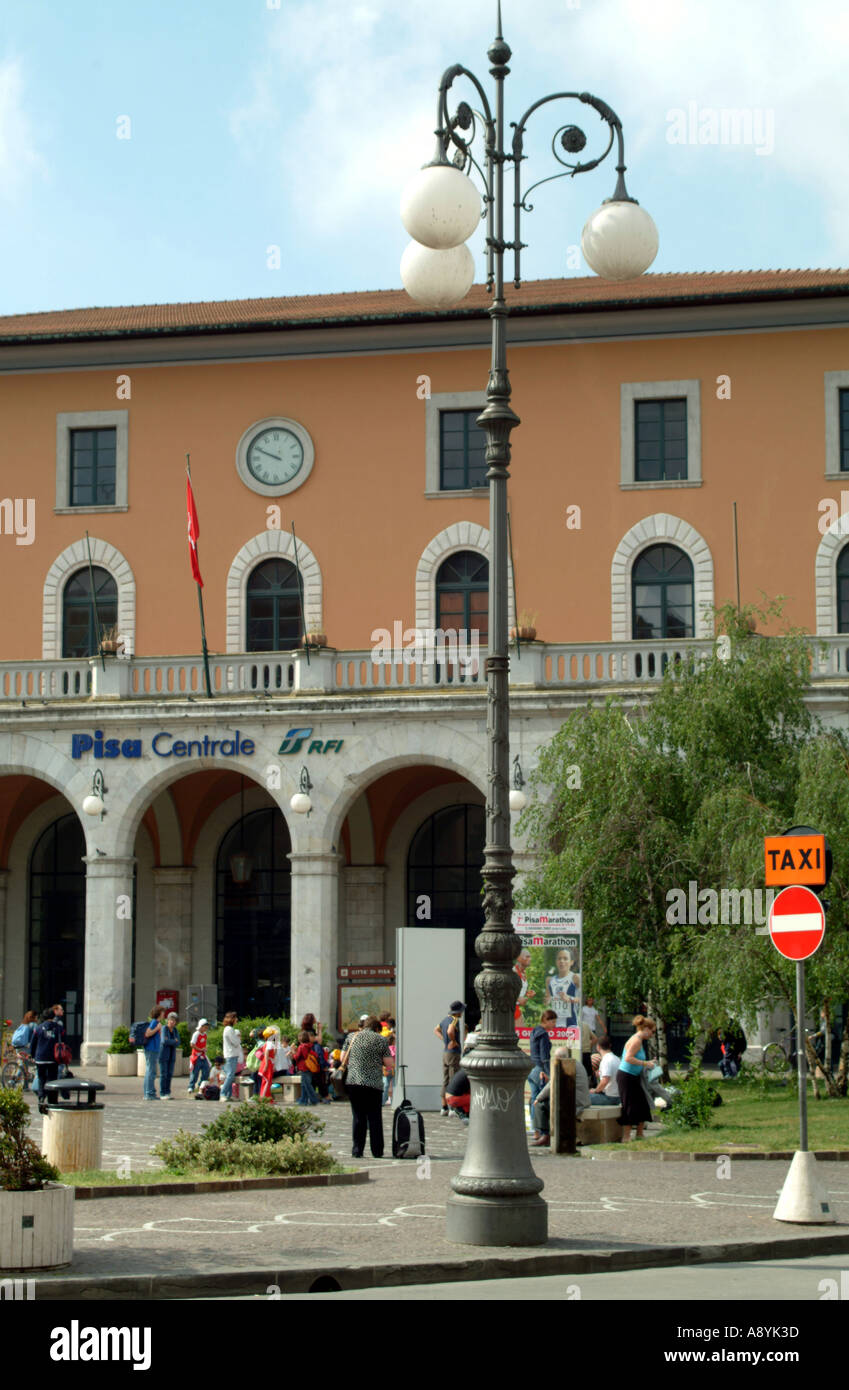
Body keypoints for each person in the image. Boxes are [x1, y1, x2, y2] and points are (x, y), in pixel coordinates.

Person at [341, 1015, 390, 1158]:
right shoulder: (381, 1040)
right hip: (373, 1084)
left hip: (354, 1082)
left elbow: (342, 1058)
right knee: (375, 1117)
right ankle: (377, 1151)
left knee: (358, 1117)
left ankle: (357, 1150)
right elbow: (389, 1063)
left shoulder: (352, 1037)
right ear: (376, 1028)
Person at [530, 1049, 590, 1147]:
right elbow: (557, 1080)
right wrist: (549, 1078)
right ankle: (547, 1134)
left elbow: (552, 1085)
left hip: (575, 1102)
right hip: (579, 1100)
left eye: (555, 1057)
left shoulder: (564, 1064)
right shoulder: (575, 1063)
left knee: (540, 1104)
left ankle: (545, 1135)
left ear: (559, 1057)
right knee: (545, 1102)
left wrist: (538, 1098)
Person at [617, 1015, 657, 1141]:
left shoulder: (639, 1040)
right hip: (626, 1076)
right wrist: (645, 1063)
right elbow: (628, 1058)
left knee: (642, 1104)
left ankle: (640, 1134)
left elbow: (636, 1058)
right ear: (645, 1028)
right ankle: (626, 1136)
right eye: (652, 1031)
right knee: (629, 1105)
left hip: (633, 1076)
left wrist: (649, 1062)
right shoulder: (636, 1040)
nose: (652, 1034)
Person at [528, 1009, 558, 1128]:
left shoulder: (535, 1031)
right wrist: (550, 1074)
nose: (554, 1025)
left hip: (532, 1069)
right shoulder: (543, 1034)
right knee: (541, 1100)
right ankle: (542, 1129)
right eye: (553, 1022)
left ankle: (535, 1129)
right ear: (546, 1020)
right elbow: (544, 1057)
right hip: (540, 1069)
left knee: (534, 1098)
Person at [434, 1000, 464, 1115]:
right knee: (453, 1079)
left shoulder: (445, 1020)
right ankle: (452, 1108)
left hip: (446, 1052)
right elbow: (450, 1030)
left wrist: (444, 1041)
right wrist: (453, 1041)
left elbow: (436, 1030)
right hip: (453, 1053)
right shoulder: (454, 1020)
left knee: (445, 1080)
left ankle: (444, 1107)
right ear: (458, 1011)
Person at [32, 1006, 67, 1102]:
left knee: (41, 1078)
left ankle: (41, 1097)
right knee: (52, 1079)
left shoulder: (38, 1028)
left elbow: (33, 1043)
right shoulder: (58, 1027)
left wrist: (32, 1055)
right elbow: (64, 1040)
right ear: (53, 1016)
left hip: (40, 1057)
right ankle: (52, 1099)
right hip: (53, 1058)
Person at [544, 948, 580, 1028]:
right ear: (556, 962)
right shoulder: (549, 980)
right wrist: (547, 1000)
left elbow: (581, 999)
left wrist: (569, 998)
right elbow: (547, 1000)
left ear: (571, 962)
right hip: (554, 1025)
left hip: (571, 1024)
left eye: (565, 958)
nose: (562, 961)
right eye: (559, 958)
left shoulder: (575, 977)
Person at [11, 1011, 38, 1093]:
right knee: (23, 1066)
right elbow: (35, 1036)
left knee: (23, 1065)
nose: (37, 1018)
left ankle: (25, 1086)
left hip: (18, 1047)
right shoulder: (33, 1025)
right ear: (33, 1017)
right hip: (25, 1048)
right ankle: (13, 1081)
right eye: (36, 1016)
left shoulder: (23, 1024)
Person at [142, 1006, 165, 1101]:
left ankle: (149, 1092)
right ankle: (149, 1093)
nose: (164, 1014)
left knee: (150, 1071)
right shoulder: (154, 1022)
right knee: (151, 1071)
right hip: (151, 1049)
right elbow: (147, 1033)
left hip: (153, 1049)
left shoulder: (156, 1023)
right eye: (162, 1012)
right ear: (159, 1013)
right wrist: (157, 1028)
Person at [292, 1029, 321, 1105]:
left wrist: (293, 1052)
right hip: (309, 1067)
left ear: (301, 1038)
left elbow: (298, 1057)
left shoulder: (302, 1047)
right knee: (304, 1085)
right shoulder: (309, 1046)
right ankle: (303, 1100)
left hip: (304, 1067)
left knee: (307, 1085)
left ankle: (314, 1099)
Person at [590, 1035, 620, 1106]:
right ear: (610, 1045)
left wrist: (595, 1090)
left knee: (582, 1097)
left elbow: (605, 1081)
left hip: (610, 1098)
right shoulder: (617, 1058)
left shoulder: (606, 1060)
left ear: (598, 1047)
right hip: (618, 1096)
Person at [221, 1011, 243, 1102]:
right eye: (235, 1018)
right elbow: (236, 1042)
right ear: (232, 1019)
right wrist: (239, 1038)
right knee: (230, 1075)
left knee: (230, 1075)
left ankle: (228, 1094)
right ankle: (223, 1093)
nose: (237, 1020)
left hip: (230, 1054)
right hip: (231, 1055)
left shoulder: (228, 1029)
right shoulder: (229, 1029)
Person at [159, 1012, 180, 1099]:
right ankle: (162, 1093)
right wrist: (173, 1041)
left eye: (174, 1020)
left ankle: (167, 1092)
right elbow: (164, 1041)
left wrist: (172, 1041)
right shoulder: (164, 1028)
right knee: (164, 1074)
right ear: (167, 1020)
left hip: (172, 1055)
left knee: (170, 1074)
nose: (172, 1022)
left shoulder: (175, 1030)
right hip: (164, 1055)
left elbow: (178, 1042)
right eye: (171, 1020)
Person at [188, 1018, 210, 1094]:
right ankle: (191, 1086)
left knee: (206, 1070)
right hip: (196, 1056)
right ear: (201, 1026)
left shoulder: (205, 1035)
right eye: (205, 1027)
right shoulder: (196, 1034)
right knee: (195, 1072)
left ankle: (201, 1086)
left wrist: (204, 1049)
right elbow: (192, 1044)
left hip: (203, 1056)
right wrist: (200, 1049)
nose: (206, 1029)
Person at [382, 1031, 396, 1106]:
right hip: (393, 1069)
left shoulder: (386, 1048)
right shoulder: (394, 1048)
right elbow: (394, 1055)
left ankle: (383, 1101)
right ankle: (394, 1101)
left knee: (386, 1086)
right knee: (394, 1085)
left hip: (387, 1069)